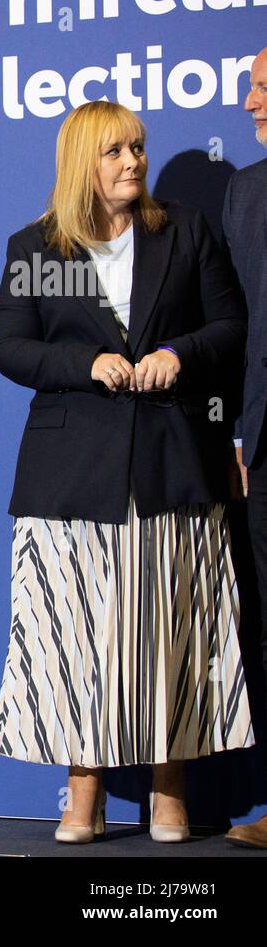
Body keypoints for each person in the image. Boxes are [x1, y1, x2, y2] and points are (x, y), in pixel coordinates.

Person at [0, 100, 255, 843]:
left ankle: (171, 789)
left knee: (170, 632)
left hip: (174, 466)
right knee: (76, 639)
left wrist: (179, 355)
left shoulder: (185, 231)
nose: (133, 161)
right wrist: (86, 363)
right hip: (70, 478)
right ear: (82, 161)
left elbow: (231, 325)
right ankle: (84, 792)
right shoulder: (39, 247)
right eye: (115, 151)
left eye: (137, 147)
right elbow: (8, 346)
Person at [226, 45, 267, 851]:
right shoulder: (245, 192)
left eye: (265, 87)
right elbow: (238, 330)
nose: (251, 103)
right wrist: (232, 429)